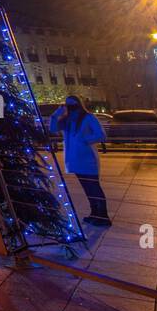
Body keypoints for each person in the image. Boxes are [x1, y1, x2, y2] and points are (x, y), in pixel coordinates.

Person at [49, 95, 110, 227]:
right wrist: (55, 115)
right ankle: (94, 214)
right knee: (87, 188)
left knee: (94, 187)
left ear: (79, 105)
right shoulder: (67, 120)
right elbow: (53, 129)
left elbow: (101, 135)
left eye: (73, 105)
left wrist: (85, 140)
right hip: (74, 160)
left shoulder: (89, 118)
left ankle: (103, 216)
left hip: (87, 159)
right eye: (68, 106)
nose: (72, 109)